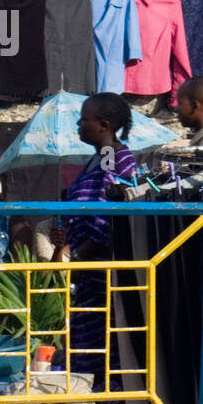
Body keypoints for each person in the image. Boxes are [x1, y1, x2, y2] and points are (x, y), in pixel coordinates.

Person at [49, 93, 138, 385]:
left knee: (104, 348)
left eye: (84, 119)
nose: (79, 124)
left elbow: (110, 216)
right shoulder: (95, 160)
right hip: (87, 272)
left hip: (101, 270)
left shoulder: (116, 160)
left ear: (104, 125)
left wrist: (81, 253)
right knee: (87, 347)